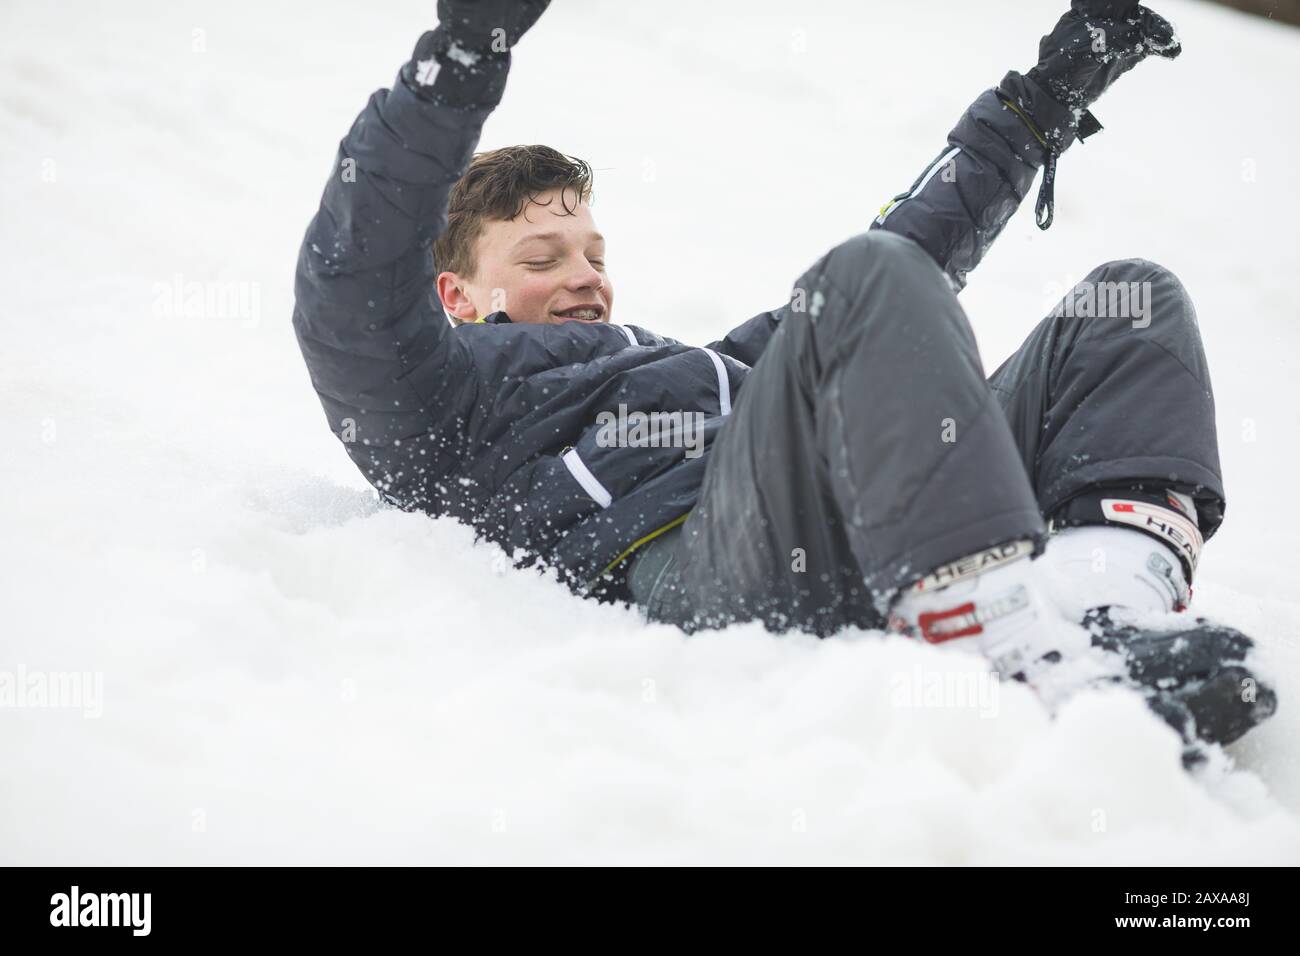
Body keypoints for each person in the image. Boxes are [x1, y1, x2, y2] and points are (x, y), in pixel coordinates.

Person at [292, 0, 1275, 756]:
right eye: (544, 257)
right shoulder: (443, 405)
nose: (586, 274)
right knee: (866, 278)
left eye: (592, 251)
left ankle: (1109, 611)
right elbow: (349, 287)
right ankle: (1005, 644)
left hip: (841, 523)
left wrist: (1045, 99)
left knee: (1126, 306)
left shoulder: (703, 368)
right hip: (703, 574)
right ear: (455, 295)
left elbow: (910, 247)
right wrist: (454, 66)